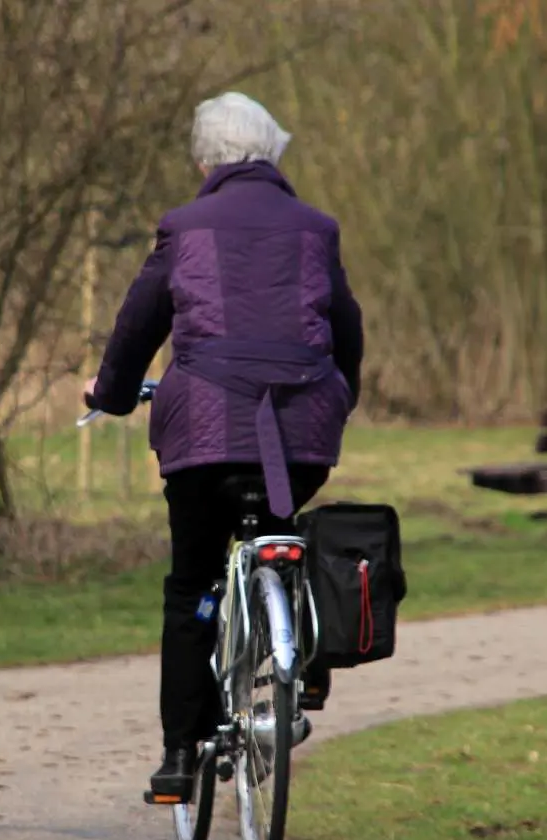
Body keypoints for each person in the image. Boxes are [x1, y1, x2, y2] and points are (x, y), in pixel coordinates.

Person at [83, 91, 364, 797]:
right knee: (282, 532)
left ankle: (180, 757)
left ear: (205, 160)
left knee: (193, 584)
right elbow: (347, 332)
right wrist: (339, 399)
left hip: (205, 438)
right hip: (301, 435)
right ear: (271, 152)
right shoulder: (316, 228)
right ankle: (299, 647)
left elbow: (137, 326)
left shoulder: (184, 227)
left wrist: (110, 394)